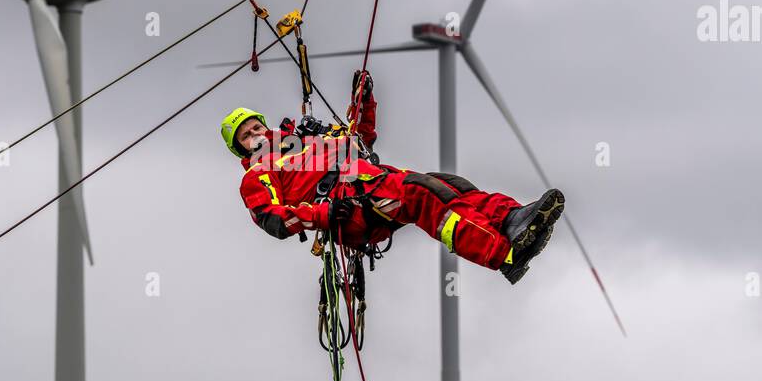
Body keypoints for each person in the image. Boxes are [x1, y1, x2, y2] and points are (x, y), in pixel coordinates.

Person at [220, 71, 564, 284]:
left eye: (256, 125)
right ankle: (504, 254)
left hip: (372, 183)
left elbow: (360, 138)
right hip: (350, 208)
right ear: (243, 149)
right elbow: (273, 219)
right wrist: (322, 215)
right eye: (247, 135)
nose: (257, 133)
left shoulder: (308, 143)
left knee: (451, 186)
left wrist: (364, 99)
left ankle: (513, 220)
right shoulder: (259, 173)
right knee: (421, 195)